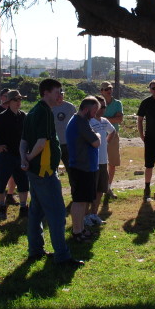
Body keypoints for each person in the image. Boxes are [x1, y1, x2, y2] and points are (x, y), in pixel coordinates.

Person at [20, 78, 84, 267]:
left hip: (35, 170)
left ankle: (35, 250)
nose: (60, 95)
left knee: (36, 211)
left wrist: (24, 159)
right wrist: (29, 159)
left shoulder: (31, 111)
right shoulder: (45, 112)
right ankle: (62, 257)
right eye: (57, 91)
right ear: (46, 92)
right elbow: (41, 142)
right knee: (57, 214)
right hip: (44, 170)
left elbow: (23, 141)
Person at [0, 90, 29, 221]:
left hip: (20, 155)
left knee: (23, 183)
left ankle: (23, 208)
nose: (18, 103)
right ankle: (1, 207)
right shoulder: (1, 117)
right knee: (1, 184)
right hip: (5, 155)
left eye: (20, 100)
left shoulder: (23, 116)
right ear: (9, 102)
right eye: (16, 100)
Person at [66, 97, 102, 242]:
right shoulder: (80, 122)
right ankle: (76, 232)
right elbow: (96, 142)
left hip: (86, 167)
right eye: (94, 111)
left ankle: (81, 229)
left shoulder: (83, 122)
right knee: (79, 201)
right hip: (81, 167)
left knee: (84, 200)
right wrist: (98, 134)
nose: (95, 114)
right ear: (86, 109)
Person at [87, 95, 115, 227]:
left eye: (105, 106)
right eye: (101, 106)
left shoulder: (104, 121)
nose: (104, 109)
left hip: (103, 160)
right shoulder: (89, 121)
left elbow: (112, 131)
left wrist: (106, 142)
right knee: (90, 189)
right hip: (93, 161)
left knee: (100, 189)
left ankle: (94, 213)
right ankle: (85, 216)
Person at [0, 88, 19, 206]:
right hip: (2, 148)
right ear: (2, 97)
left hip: (15, 149)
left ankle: (10, 195)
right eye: (5, 95)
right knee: (0, 175)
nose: (7, 97)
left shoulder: (19, 113)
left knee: (14, 175)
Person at [100, 81, 123, 198]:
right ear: (101, 91)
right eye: (106, 89)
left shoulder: (117, 103)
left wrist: (102, 118)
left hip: (113, 135)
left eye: (110, 88)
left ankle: (108, 187)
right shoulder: (97, 103)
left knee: (112, 163)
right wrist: (111, 119)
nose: (109, 90)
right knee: (98, 162)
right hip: (98, 136)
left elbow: (119, 120)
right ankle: (99, 187)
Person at [51, 96, 77, 174]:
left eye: (61, 95)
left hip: (68, 143)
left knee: (71, 169)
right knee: (53, 170)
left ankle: (74, 186)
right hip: (54, 143)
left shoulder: (70, 107)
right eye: (58, 95)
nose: (60, 97)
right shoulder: (50, 107)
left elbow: (76, 123)